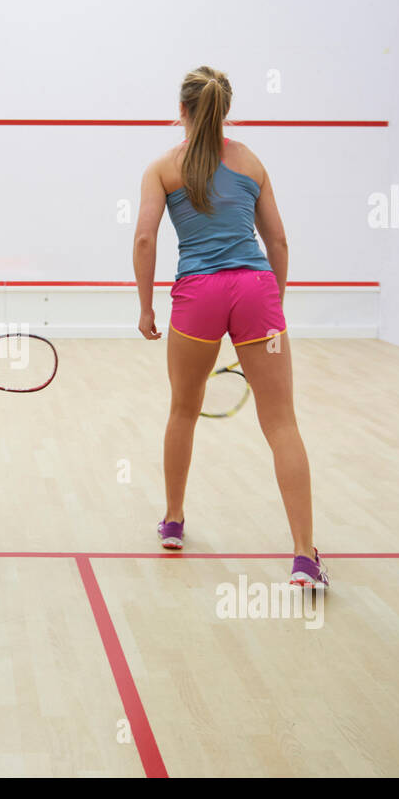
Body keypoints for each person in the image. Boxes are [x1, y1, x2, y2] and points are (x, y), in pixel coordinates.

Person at [131, 67, 328, 588]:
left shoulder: (161, 168)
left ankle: (173, 521)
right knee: (282, 423)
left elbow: (145, 241)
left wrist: (146, 307)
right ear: (223, 109)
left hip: (197, 294)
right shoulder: (251, 162)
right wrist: (274, 304)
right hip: (256, 290)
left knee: (182, 409)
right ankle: (305, 558)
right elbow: (279, 242)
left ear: (183, 111)